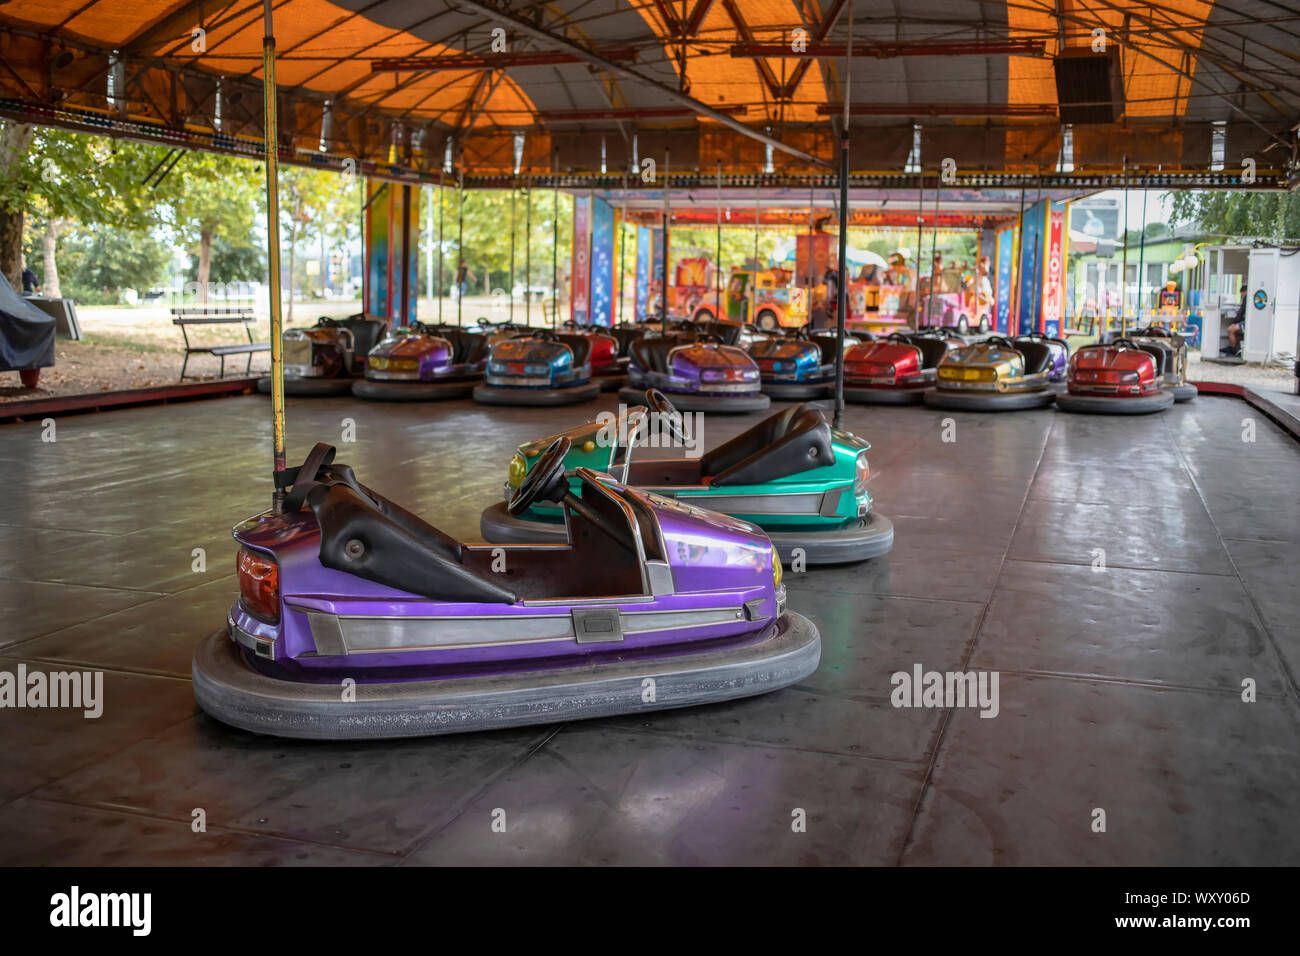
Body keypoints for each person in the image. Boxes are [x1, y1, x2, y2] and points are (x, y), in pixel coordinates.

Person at [1225, 286, 1248, 355]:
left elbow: (1241, 313)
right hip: (1245, 321)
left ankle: (1232, 349)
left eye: (1242, 294)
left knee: (1230, 329)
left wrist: (1234, 323)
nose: (1242, 296)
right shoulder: (1248, 298)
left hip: (1245, 322)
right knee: (1237, 334)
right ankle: (1235, 348)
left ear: (1245, 292)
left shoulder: (1246, 298)